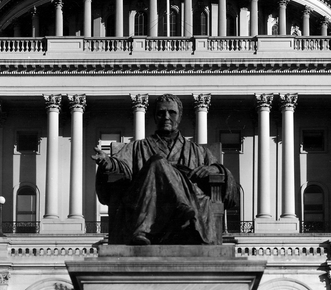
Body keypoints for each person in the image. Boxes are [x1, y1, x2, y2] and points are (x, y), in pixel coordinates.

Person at [92, 94, 237, 245]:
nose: (166, 117)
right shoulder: (137, 147)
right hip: (160, 204)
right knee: (157, 162)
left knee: (157, 162)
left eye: (172, 112)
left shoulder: (199, 151)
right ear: (155, 117)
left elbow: (232, 194)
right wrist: (108, 163)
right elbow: (121, 166)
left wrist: (215, 169)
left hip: (190, 200)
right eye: (161, 113)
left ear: (179, 117)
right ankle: (181, 206)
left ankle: (146, 227)